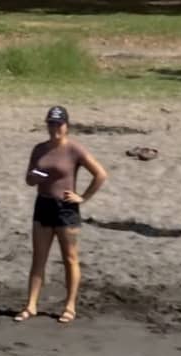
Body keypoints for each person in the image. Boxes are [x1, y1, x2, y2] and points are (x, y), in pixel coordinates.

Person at [16, 106, 107, 324]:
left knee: (70, 258)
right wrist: (35, 177)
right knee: (39, 258)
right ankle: (31, 305)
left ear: (67, 126)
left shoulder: (74, 149)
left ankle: (70, 306)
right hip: (43, 205)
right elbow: (29, 179)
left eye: (58, 124)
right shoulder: (39, 149)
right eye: (51, 124)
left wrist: (83, 197)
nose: (54, 128)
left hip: (66, 208)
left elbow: (100, 174)